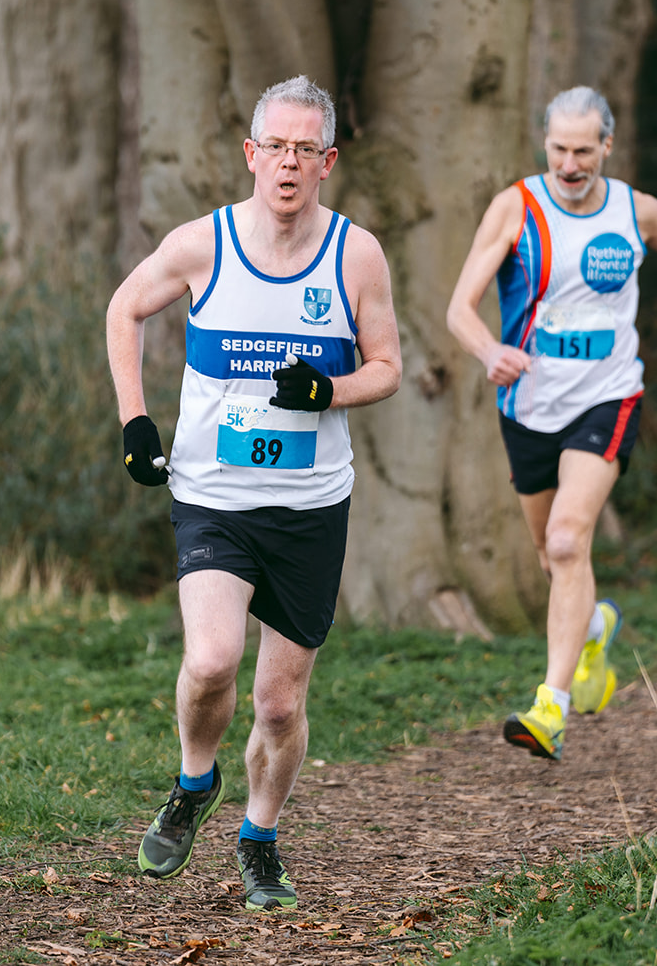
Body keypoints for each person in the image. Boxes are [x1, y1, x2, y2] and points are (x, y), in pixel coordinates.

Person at [105, 76, 401, 909]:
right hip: (213, 494)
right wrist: (135, 421)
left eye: (307, 149)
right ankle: (194, 782)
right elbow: (124, 310)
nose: (289, 163)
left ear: (328, 162)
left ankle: (260, 838)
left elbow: (388, 367)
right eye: (276, 146)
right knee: (210, 661)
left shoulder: (356, 254)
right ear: (251, 154)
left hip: (310, 507)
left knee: (277, 705)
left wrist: (328, 392)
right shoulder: (204, 244)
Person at [446, 86, 657, 761]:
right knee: (550, 556)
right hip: (529, 402)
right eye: (559, 148)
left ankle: (550, 707)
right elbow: (459, 308)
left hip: (609, 395)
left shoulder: (635, 211)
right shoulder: (517, 206)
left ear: (607, 147)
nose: (569, 163)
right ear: (546, 144)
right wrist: (489, 350)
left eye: (583, 149)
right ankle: (594, 626)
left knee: (567, 542)